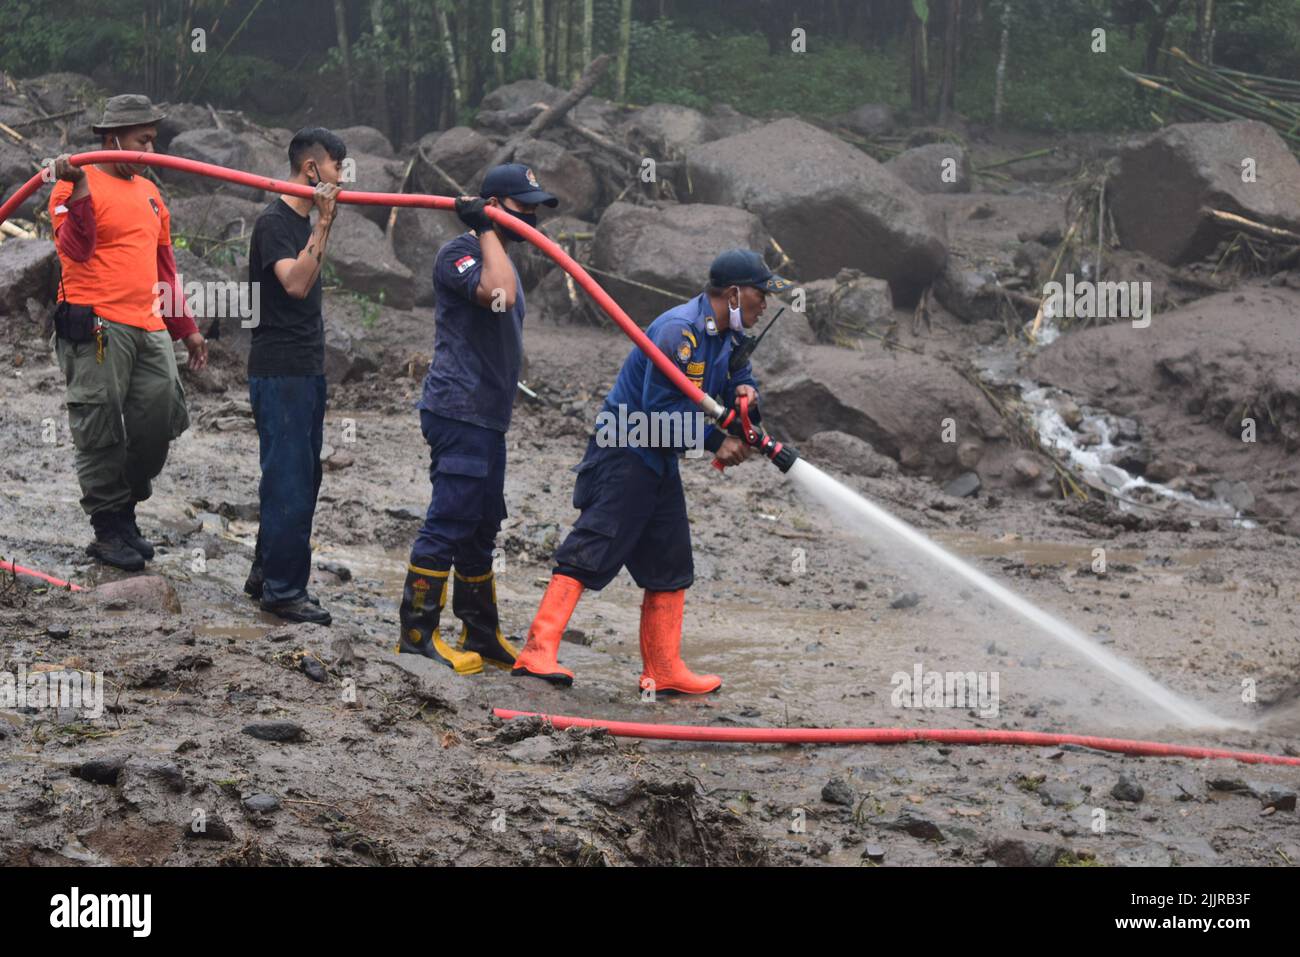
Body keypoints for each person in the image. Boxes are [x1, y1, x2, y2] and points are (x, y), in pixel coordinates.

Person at [512, 249, 790, 694]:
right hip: (624, 448)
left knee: (670, 560)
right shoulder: (678, 332)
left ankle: (663, 669)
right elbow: (659, 411)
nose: (765, 306)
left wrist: (746, 394)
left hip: (658, 456)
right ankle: (536, 650)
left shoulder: (729, 336)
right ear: (735, 294)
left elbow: (739, 374)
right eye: (761, 296)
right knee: (594, 545)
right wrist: (718, 441)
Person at [398, 164, 558, 675]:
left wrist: (496, 232)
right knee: (449, 520)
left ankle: (480, 631)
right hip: (458, 409)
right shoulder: (460, 252)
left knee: (482, 524)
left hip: (490, 417)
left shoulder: (498, 255)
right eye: (521, 206)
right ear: (492, 205)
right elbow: (499, 296)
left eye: (536, 207)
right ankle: (417, 634)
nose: (531, 216)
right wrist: (486, 228)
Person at [49, 94, 207, 572]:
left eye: (154, 140)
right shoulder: (74, 181)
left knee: (159, 417)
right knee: (98, 426)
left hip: (149, 324)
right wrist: (76, 192)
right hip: (96, 322)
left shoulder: (152, 195)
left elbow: (164, 267)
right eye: (143, 139)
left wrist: (187, 329)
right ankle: (109, 526)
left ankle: (125, 504)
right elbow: (74, 249)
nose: (150, 149)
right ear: (112, 137)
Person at [241, 128, 345, 625]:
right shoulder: (275, 223)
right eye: (336, 168)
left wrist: (322, 222)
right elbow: (297, 284)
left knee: (302, 475)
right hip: (281, 372)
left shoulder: (298, 222)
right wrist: (324, 224)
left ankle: (266, 572)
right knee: (288, 482)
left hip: (304, 371)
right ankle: (284, 591)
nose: (342, 179)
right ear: (311, 170)